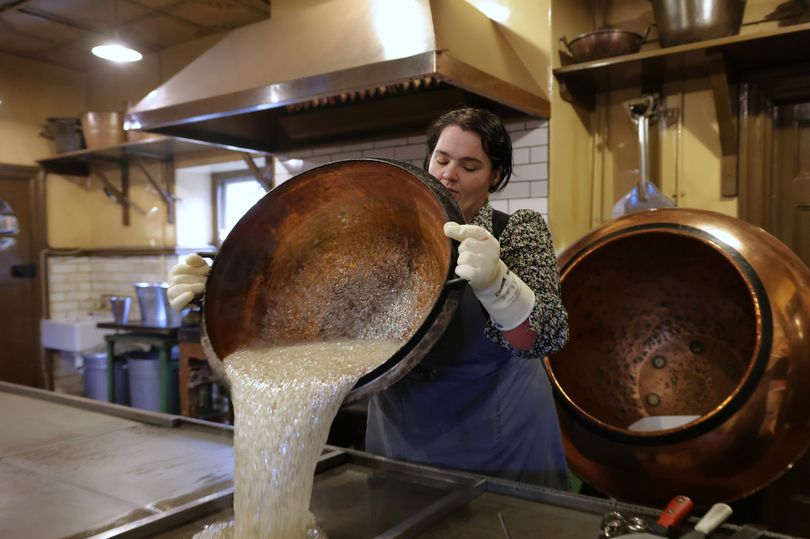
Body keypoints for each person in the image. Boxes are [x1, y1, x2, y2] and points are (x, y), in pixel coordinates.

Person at [167, 107, 570, 490]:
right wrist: (225, 288)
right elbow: (305, 292)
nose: (449, 175)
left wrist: (498, 284)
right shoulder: (391, 228)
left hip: (496, 433)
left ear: (494, 176)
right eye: (442, 159)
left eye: (469, 167)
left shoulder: (517, 231)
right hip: (401, 433)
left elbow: (545, 336)